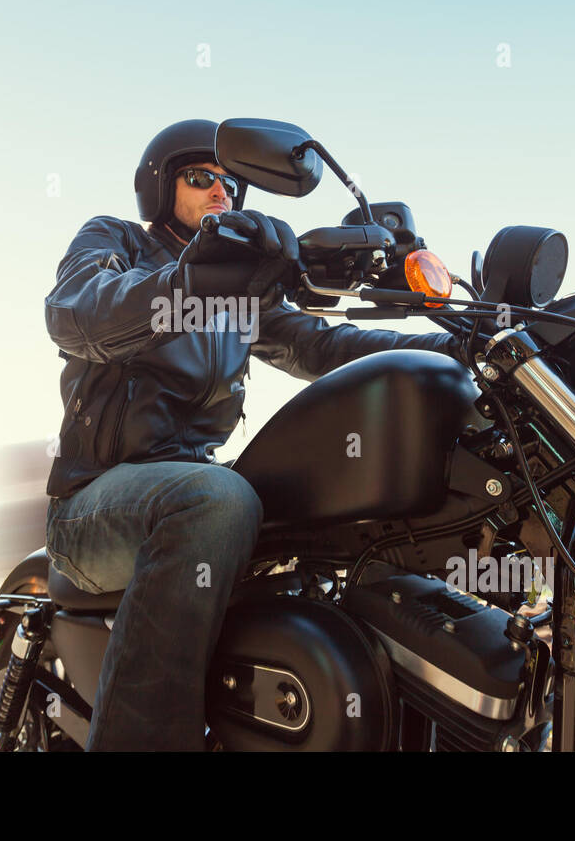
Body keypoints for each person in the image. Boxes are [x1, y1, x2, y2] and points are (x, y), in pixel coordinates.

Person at [42, 118, 463, 750]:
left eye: (232, 184)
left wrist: (458, 346)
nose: (221, 192)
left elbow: (324, 344)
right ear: (161, 188)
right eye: (201, 177)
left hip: (192, 486)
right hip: (95, 502)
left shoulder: (241, 289)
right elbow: (77, 309)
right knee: (219, 498)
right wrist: (190, 280)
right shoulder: (116, 240)